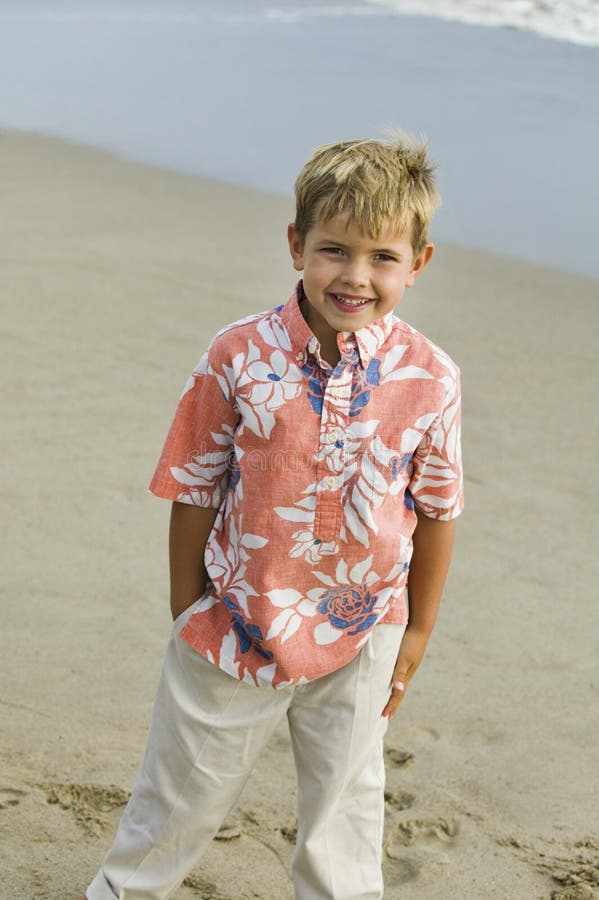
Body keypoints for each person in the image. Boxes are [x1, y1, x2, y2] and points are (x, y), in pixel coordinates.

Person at [83, 134, 463, 899]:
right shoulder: (236, 355)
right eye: (334, 250)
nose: (355, 277)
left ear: (416, 264)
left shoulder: (431, 377)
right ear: (296, 246)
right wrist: (188, 603)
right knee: (178, 800)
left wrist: (416, 628)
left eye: (382, 258)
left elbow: (436, 509)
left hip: (365, 628)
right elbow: (194, 485)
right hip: (236, 620)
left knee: (344, 817)